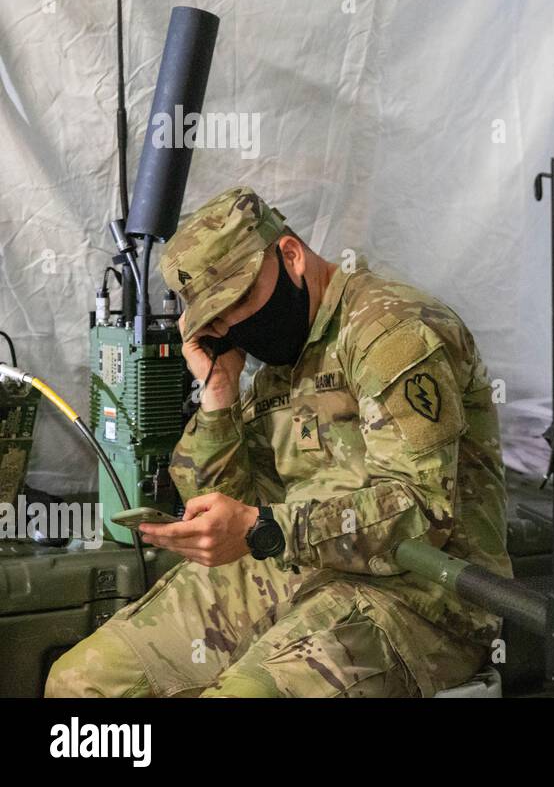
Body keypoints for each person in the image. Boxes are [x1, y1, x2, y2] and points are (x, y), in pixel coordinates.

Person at [47, 186, 510, 696]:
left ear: (290, 255)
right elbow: (228, 504)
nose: (234, 325)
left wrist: (267, 529)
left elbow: (423, 513)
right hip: (292, 567)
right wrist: (218, 392)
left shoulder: (389, 333)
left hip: (418, 596)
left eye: (241, 300)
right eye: (216, 320)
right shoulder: (278, 365)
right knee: (81, 682)